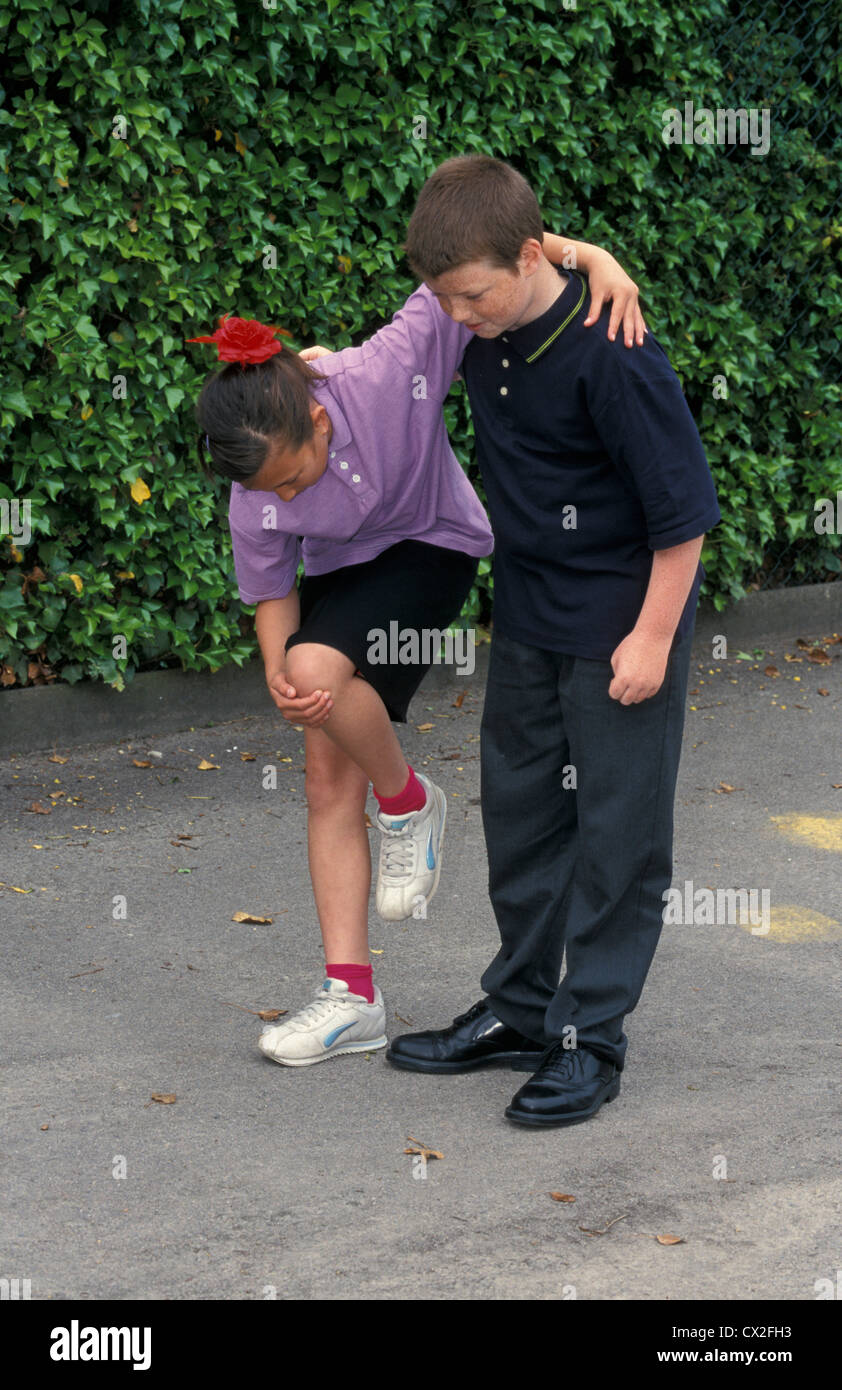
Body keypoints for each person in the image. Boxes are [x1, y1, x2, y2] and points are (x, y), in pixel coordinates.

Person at [186, 227, 647, 1069]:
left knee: (315, 670)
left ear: (319, 416)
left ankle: (406, 803)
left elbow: (487, 248)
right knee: (323, 764)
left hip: (430, 545)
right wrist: (274, 675)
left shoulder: (391, 365)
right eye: (267, 491)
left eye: (292, 476)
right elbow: (271, 592)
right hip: (340, 576)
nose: (282, 496)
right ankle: (351, 999)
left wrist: (594, 260)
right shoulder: (253, 493)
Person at [385, 155, 722, 1127]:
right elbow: (494, 260)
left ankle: (590, 1038)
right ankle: (523, 1010)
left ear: (528, 258)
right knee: (524, 822)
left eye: (471, 295)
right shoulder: (485, 314)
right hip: (530, 613)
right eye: (444, 297)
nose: (456, 315)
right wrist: (587, 250)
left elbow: (684, 515)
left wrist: (651, 640)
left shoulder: (612, 347)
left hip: (620, 623)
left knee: (616, 838)